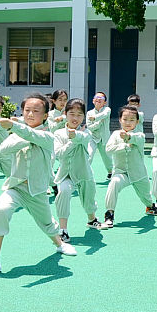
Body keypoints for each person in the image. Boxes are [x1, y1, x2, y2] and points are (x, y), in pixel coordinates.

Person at [0, 94, 79, 278]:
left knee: (47, 223)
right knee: (0, 211)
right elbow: (4, 149)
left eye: (36, 111)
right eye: (27, 110)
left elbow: (37, 137)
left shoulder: (49, 135)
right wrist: (23, 135)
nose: (31, 114)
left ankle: (59, 244)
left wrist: (17, 128)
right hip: (15, 187)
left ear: (45, 115)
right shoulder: (18, 133)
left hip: (37, 191)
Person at [102, 106, 157, 227]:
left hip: (139, 174)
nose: (128, 122)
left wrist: (128, 138)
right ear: (120, 120)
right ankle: (109, 214)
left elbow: (136, 139)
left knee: (146, 197)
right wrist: (123, 146)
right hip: (121, 172)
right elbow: (108, 149)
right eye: (125, 119)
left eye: (131, 120)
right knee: (113, 183)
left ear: (137, 121)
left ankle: (150, 207)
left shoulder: (140, 135)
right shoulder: (115, 134)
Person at [53, 99, 100, 240]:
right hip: (66, 174)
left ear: (84, 117)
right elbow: (59, 154)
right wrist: (72, 141)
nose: (75, 118)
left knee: (88, 200)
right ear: (65, 114)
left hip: (84, 172)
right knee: (64, 191)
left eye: (79, 115)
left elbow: (85, 140)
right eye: (72, 114)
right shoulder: (59, 134)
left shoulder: (87, 132)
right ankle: (63, 230)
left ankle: (92, 219)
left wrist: (76, 136)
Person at [86, 91, 113, 179]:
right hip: (92, 137)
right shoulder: (89, 113)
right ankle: (85, 173)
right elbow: (90, 127)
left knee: (107, 157)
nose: (98, 99)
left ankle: (111, 172)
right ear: (93, 100)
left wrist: (95, 118)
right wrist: (98, 123)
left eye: (101, 98)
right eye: (96, 97)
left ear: (105, 102)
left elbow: (104, 115)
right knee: (89, 155)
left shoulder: (107, 109)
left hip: (104, 138)